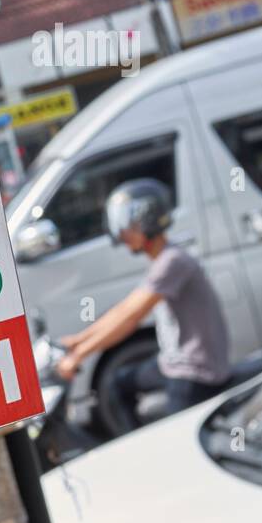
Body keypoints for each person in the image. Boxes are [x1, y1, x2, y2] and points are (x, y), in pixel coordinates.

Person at [56, 178, 231, 432]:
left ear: (145, 222)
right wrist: (79, 340)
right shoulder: (164, 260)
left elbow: (130, 318)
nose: (122, 235)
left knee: (178, 444)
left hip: (194, 372)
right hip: (173, 363)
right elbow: (124, 309)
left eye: (126, 226)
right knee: (117, 384)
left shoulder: (172, 262)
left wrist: (80, 355)